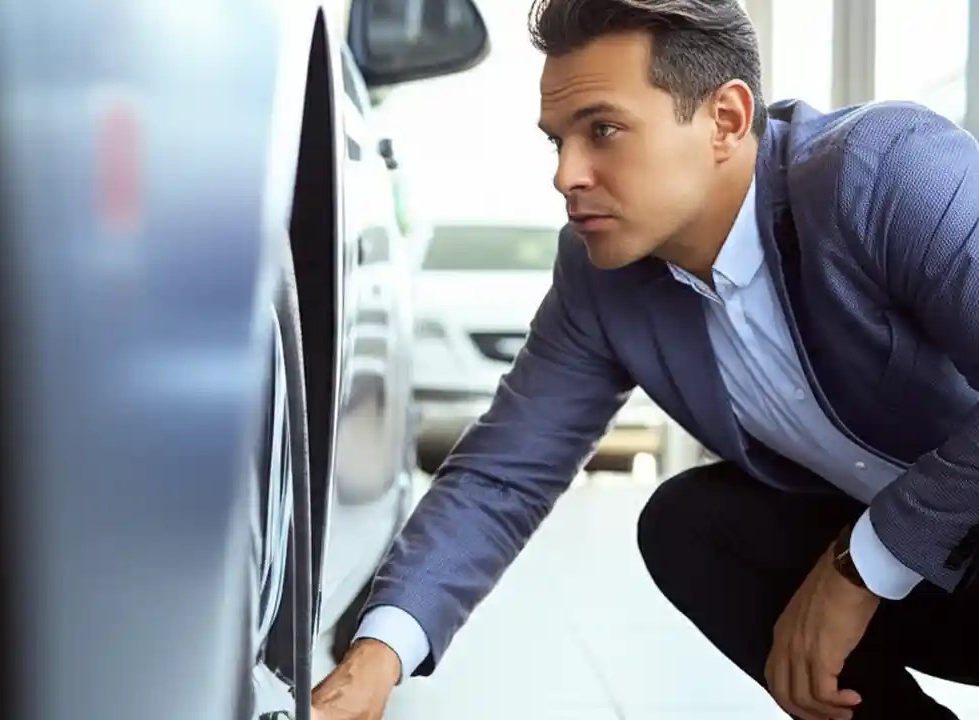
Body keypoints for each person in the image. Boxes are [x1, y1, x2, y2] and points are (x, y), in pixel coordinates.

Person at [309, 0, 979, 718]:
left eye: (603, 130)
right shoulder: (604, 277)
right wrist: (374, 661)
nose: (567, 175)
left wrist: (862, 565)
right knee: (693, 526)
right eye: (557, 141)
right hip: (938, 582)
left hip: (924, 547)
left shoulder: (885, 169)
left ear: (724, 118)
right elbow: (505, 473)